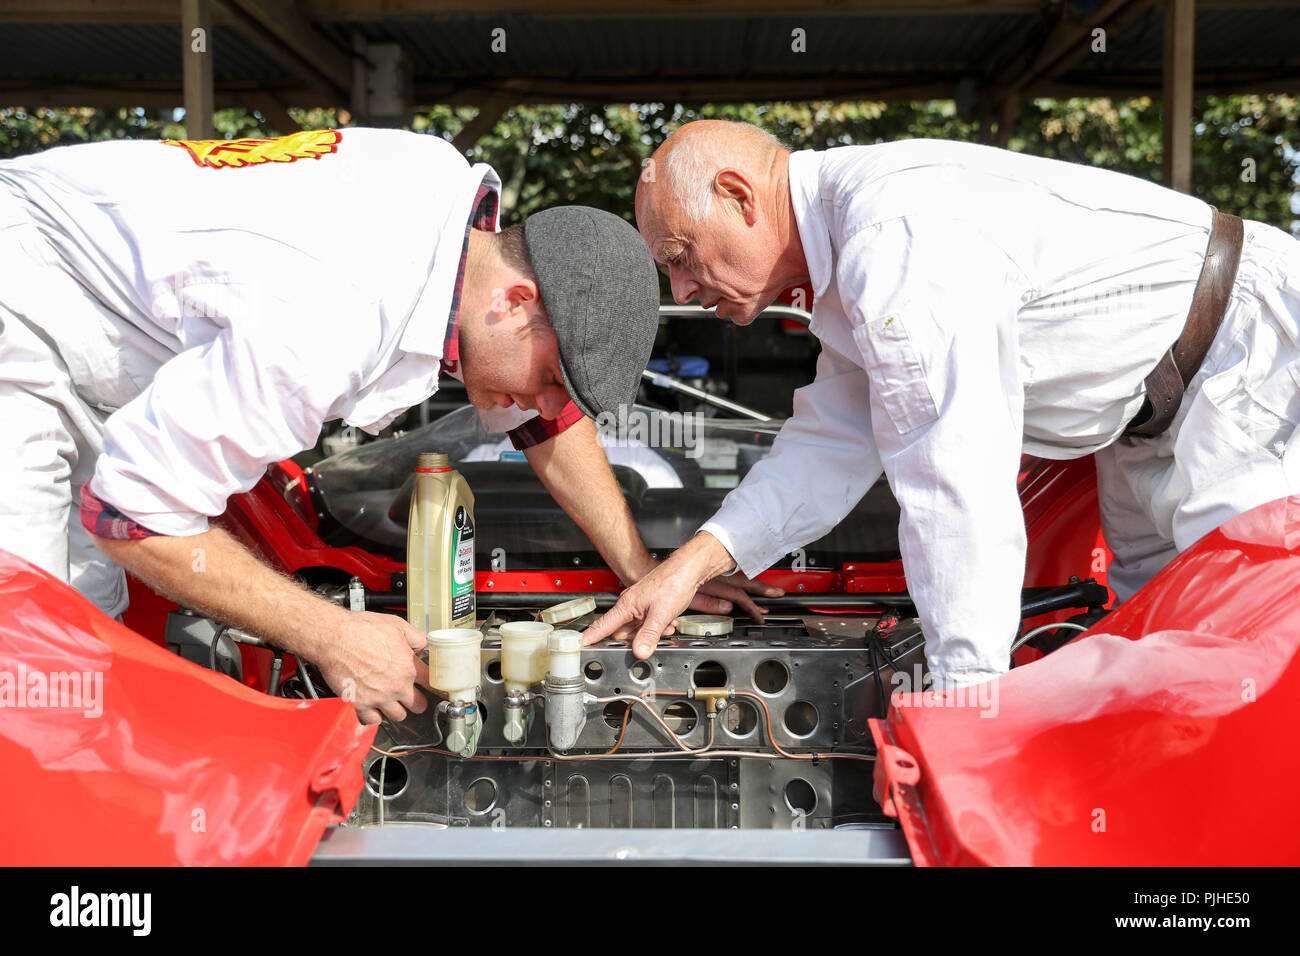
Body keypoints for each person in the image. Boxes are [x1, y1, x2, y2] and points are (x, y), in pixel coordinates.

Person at [0, 126, 773, 724]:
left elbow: (548, 423)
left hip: (96, 332)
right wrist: (334, 637)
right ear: (516, 302)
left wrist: (640, 569)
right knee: (32, 650)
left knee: (82, 630)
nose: (544, 405)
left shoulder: (452, 230)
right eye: (547, 380)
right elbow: (133, 516)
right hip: (23, 310)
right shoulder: (325, 320)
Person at [584, 118, 1300, 689]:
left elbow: (953, 478)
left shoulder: (891, 238)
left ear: (740, 197)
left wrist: (966, 701)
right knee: (1153, 655)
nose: (680, 290)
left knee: (1240, 651)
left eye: (680, 255)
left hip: (1241, 361)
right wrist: (689, 566)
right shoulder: (855, 245)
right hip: (1149, 414)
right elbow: (825, 445)